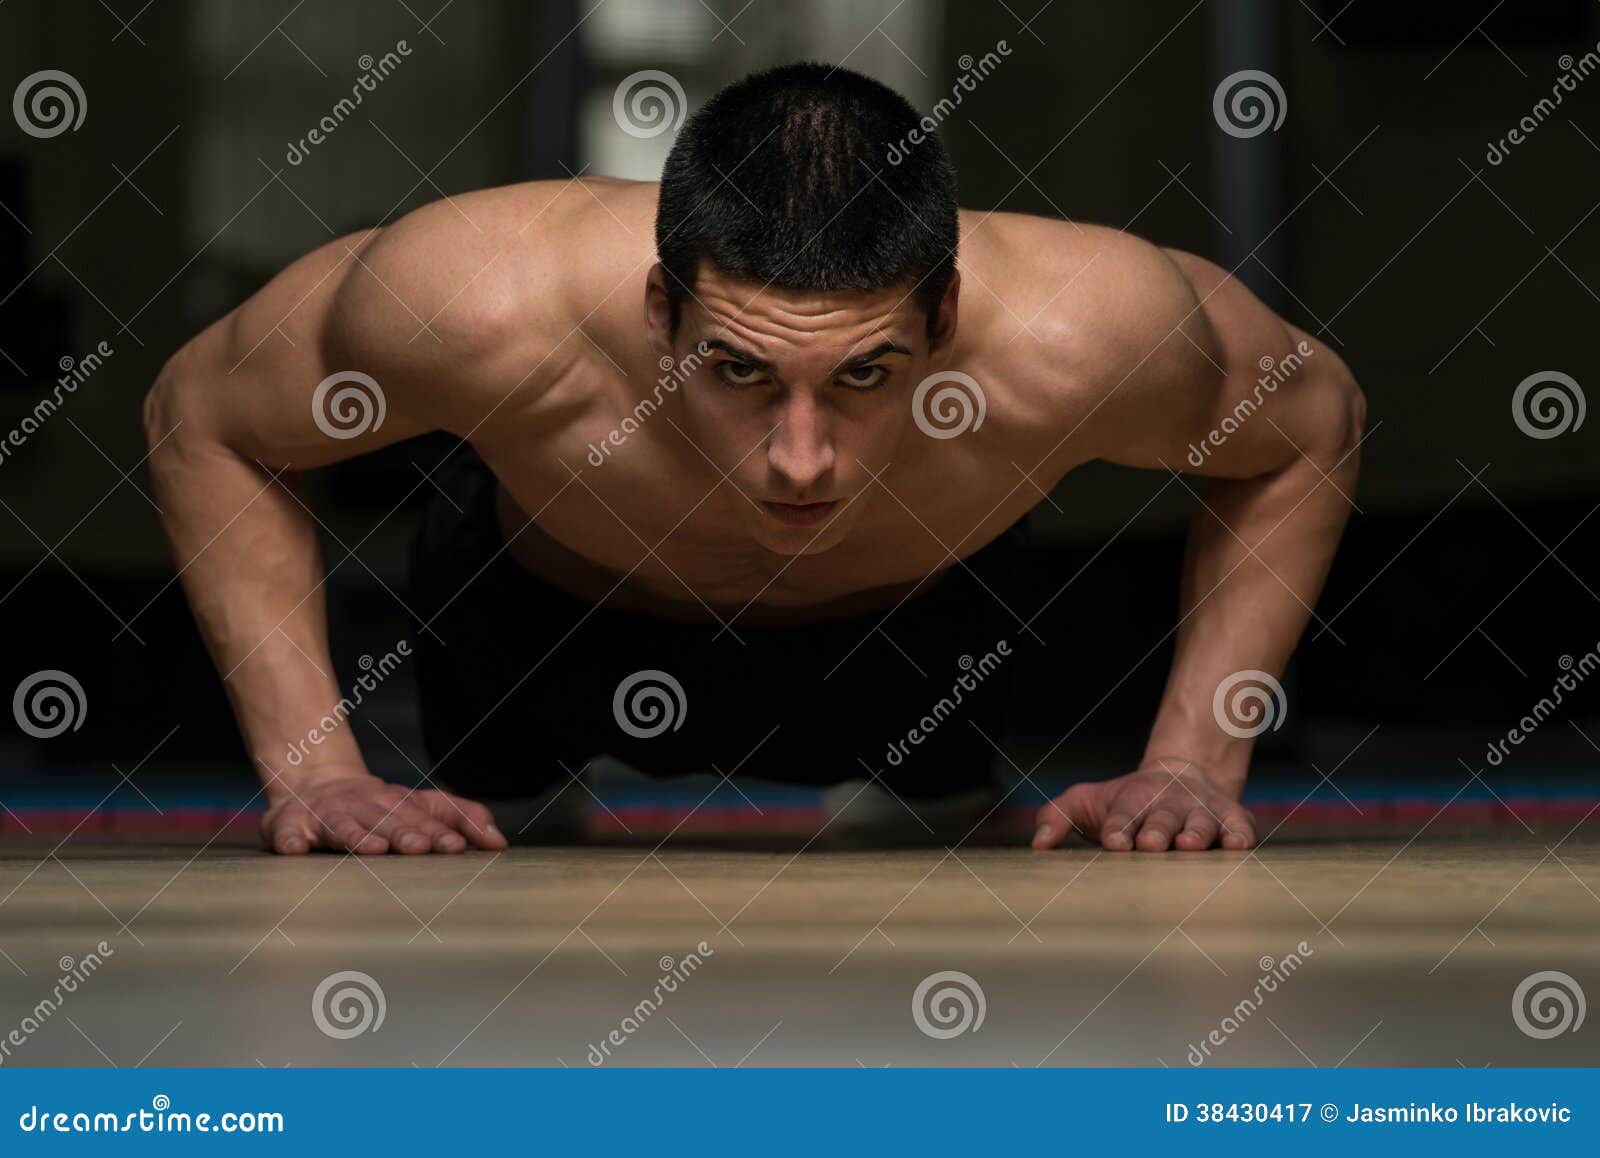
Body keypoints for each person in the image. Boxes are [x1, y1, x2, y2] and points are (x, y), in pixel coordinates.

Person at [144, 62, 1363, 856]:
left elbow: (1312, 426)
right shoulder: (476, 298)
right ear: (658, 310)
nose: (799, 461)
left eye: (865, 374)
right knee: (491, 906)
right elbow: (202, 414)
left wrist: (1194, 761)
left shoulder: (1089, 330)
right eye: (737, 370)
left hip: (912, 646)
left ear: (943, 317)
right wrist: (313, 769)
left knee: (933, 897)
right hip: (541, 625)